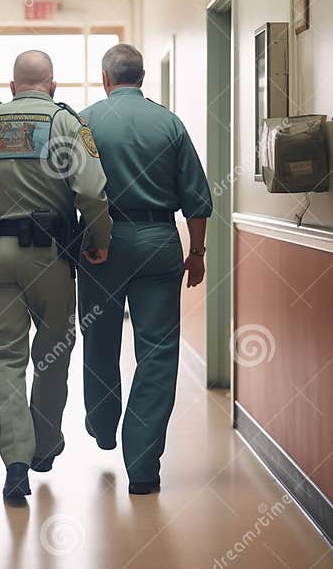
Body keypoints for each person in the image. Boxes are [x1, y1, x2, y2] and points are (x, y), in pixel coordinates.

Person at [0, 50, 113, 499]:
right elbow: (92, 192)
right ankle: (44, 445)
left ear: (12, 87)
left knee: (5, 358)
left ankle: (15, 461)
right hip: (50, 258)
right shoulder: (64, 123)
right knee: (53, 351)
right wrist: (97, 239)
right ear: (52, 86)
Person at [78, 44, 212, 495]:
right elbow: (196, 197)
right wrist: (197, 252)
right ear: (142, 77)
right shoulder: (169, 123)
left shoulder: (84, 122)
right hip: (159, 241)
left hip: (101, 243)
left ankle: (102, 424)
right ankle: (142, 466)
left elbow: (67, 188)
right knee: (157, 351)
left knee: (100, 338)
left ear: (105, 78)